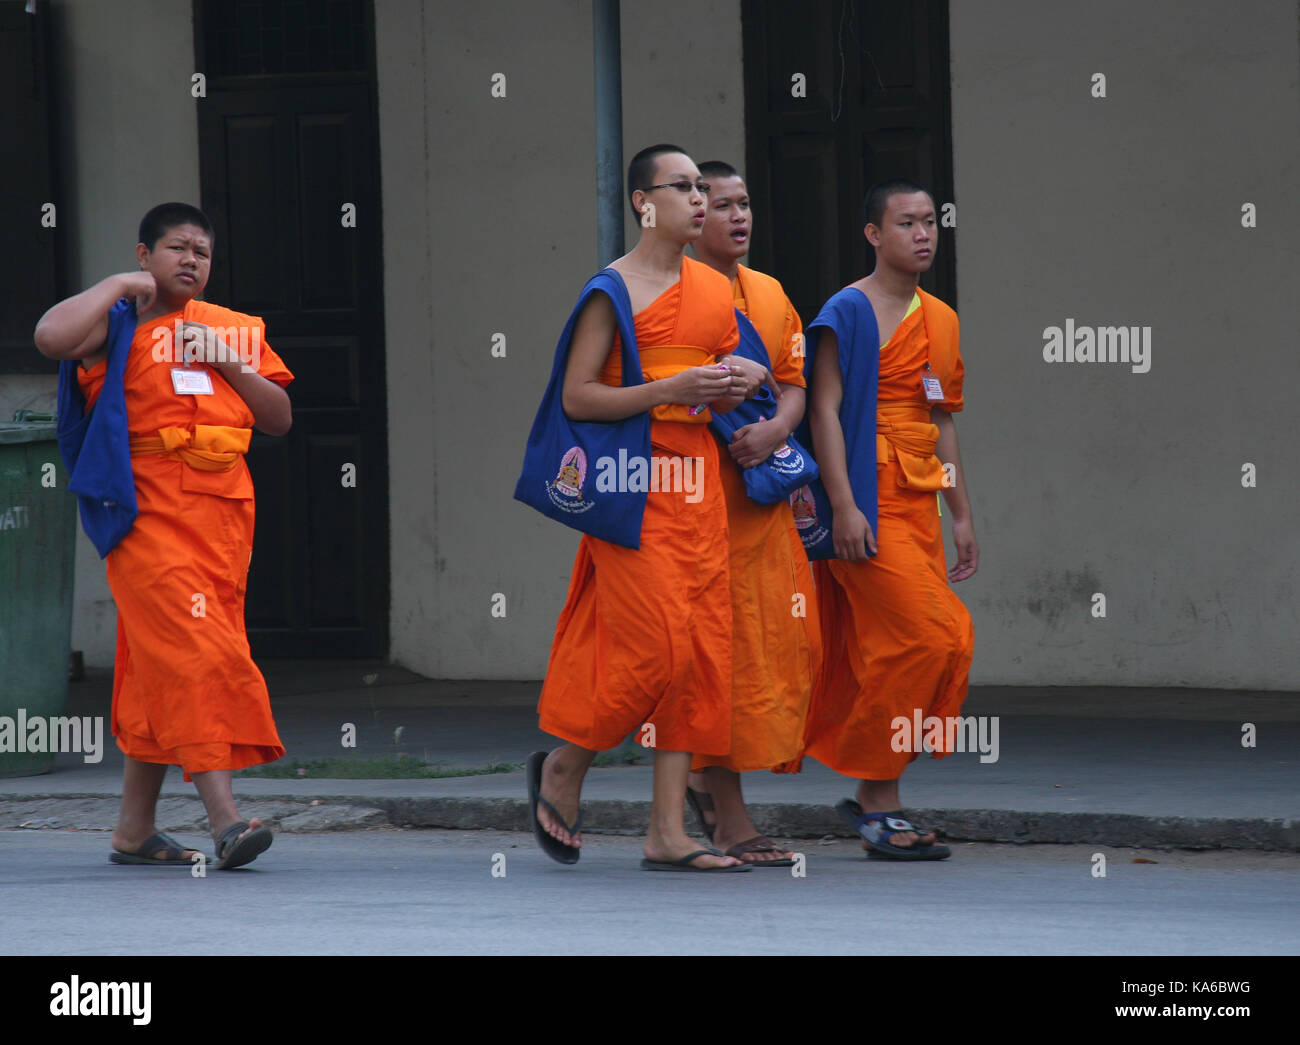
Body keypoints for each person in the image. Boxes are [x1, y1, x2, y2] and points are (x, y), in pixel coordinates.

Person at [35, 203, 293, 870]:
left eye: (202, 252)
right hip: (144, 513)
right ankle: (226, 819)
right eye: (177, 247)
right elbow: (49, 337)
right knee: (195, 653)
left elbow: (279, 418)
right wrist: (119, 287)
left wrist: (229, 363)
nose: (191, 261)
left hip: (222, 518)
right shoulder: (117, 323)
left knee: (160, 663)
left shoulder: (228, 328)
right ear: (144, 254)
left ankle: (133, 829)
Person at [529, 144, 754, 872]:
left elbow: (735, 368)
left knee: (698, 655)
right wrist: (668, 390)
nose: (699, 200)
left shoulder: (714, 289)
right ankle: (566, 763)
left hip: (699, 486)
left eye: (702, 188)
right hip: (633, 485)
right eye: (682, 187)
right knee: (657, 648)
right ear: (643, 202)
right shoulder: (612, 290)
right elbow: (577, 396)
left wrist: (738, 377)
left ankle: (667, 832)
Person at [804, 179, 977, 860]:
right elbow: (823, 409)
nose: (923, 233)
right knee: (934, 636)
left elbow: (941, 421)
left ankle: (882, 793)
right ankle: (876, 795)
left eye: (930, 221)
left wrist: (960, 513)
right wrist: (843, 505)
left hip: (917, 498)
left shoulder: (941, 318)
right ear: (874, 234)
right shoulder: (847, 310)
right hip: (864, 498)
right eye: (906, 222)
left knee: (921, 645)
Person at [685, 161, 820, 865]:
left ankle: (700, 787)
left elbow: (794, 382)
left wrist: (775, 429)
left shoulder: (768, 294)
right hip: (696, 497)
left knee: (777, 648)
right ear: (691, 217)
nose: (738, 217)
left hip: (760, 500)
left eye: (744, 204)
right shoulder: (672, 293)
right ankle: (728, 815)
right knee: (720, 654)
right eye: (722, 205)